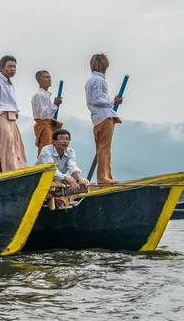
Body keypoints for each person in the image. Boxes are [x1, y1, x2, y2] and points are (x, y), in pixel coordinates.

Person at [0, 55, 27, 172]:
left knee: (17, 143)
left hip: (12, 117)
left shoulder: (10, 84)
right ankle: (10, 170)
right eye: (9, 66)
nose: (12, 69)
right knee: (8, 143)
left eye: (14, 66)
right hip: (2, 117)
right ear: (1, 68)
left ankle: (20, 168)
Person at [86, 53, 123, 185]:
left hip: (98, 117)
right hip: (104, 116)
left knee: (102, 148)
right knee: (104, 148)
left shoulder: (92, 80)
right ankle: (103, 177)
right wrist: (113, 102)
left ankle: (106, 175)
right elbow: (96, 99)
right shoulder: (98, 80)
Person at [39, 127, 90, 207]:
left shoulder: (70, 151)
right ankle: (55, 196)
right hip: (45, 179)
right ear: (54, 141)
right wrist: (69, 180)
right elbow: (52, 170)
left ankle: (62, 200)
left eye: (67, 139)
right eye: (62, 139)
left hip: (61, 180)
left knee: (85, 183)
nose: (65, 141)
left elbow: (72, 166)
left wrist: (79, 181)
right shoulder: (46, 150)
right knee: (54, 185)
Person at [31, 70, 62, 158]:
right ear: (40, 80)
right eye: (46, 77)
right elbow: (44, 115)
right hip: (44, 125)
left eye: (50, 77)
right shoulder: (40, 95)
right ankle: (43, 164)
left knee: (50, 148)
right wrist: (55, 105)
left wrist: (55, 105)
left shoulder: (45, 95)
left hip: (48, 125)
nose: (49, 79)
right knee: (46, 148)